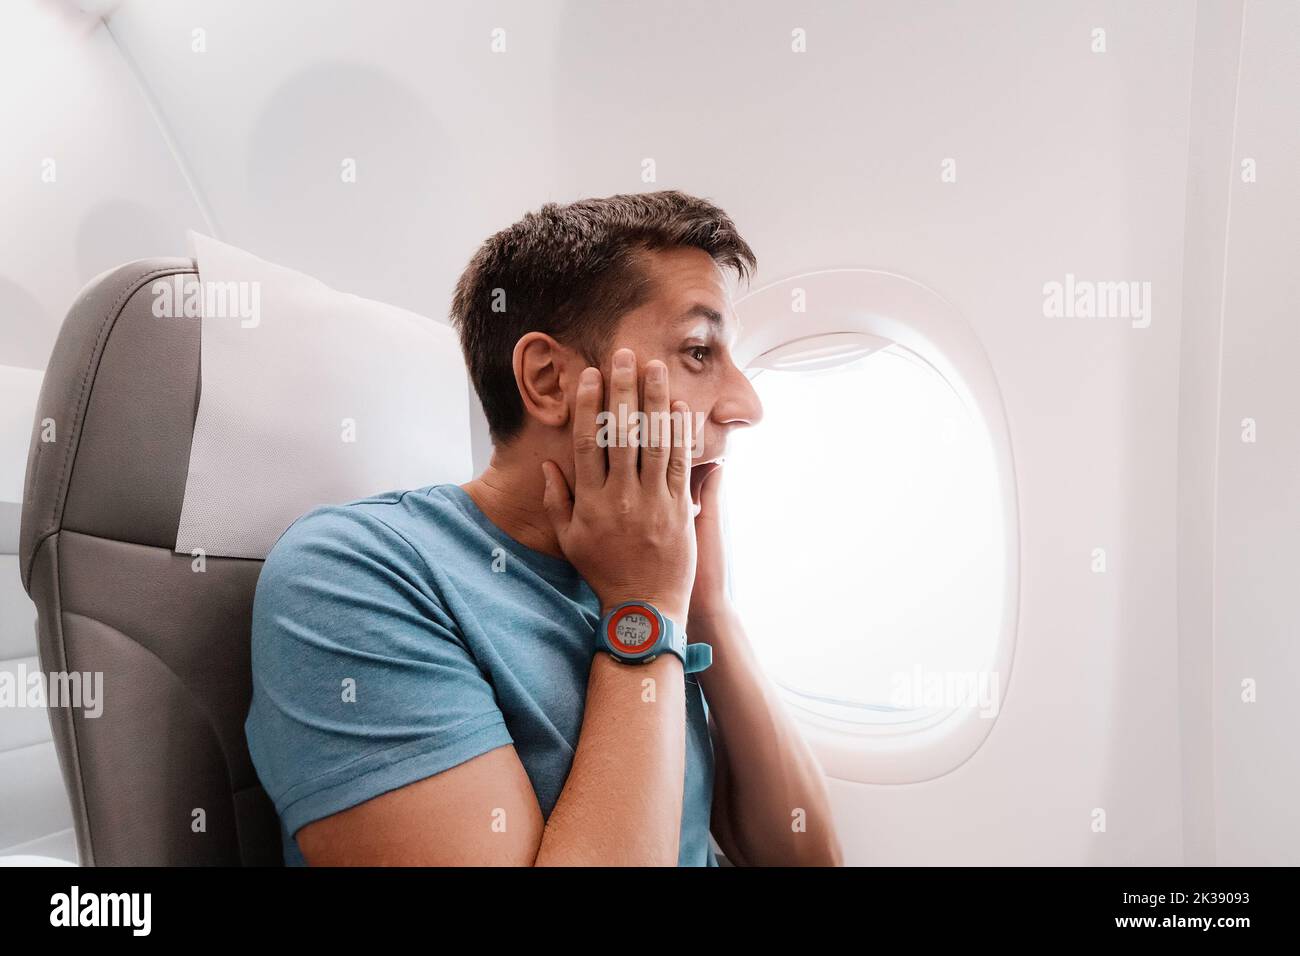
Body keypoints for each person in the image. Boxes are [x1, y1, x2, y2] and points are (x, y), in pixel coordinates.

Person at [244, 190, 843, 866]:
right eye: (699, 351)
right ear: (550, 380)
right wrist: (640, 613)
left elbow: (807, 859)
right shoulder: (354, 575)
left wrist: (705, 607)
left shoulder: (654, 567)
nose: (746, 404)